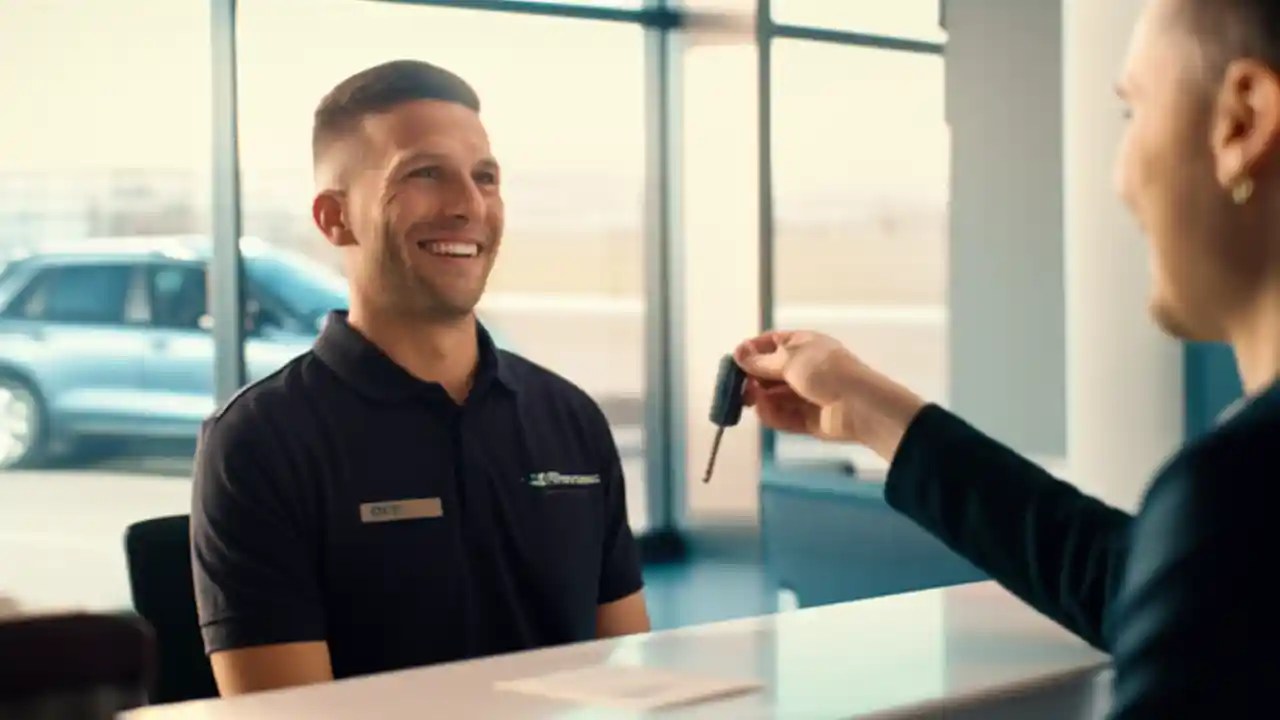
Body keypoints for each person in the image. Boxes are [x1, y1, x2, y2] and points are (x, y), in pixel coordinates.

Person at [733, 0, 1277, 717]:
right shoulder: (1233, 534)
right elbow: (1147, 585)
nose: (1118, 180)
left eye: (1132, 113)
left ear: (1243, 120)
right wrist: (868, 406)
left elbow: (1199, 580)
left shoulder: (1240, 495)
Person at [190, 59, 649, 696]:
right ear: (334, 218)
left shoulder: (569, 418)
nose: (469, 206)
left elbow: (629, 676)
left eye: (485, 177)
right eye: (425, 174)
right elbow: (290, 719)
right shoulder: (260, 443)